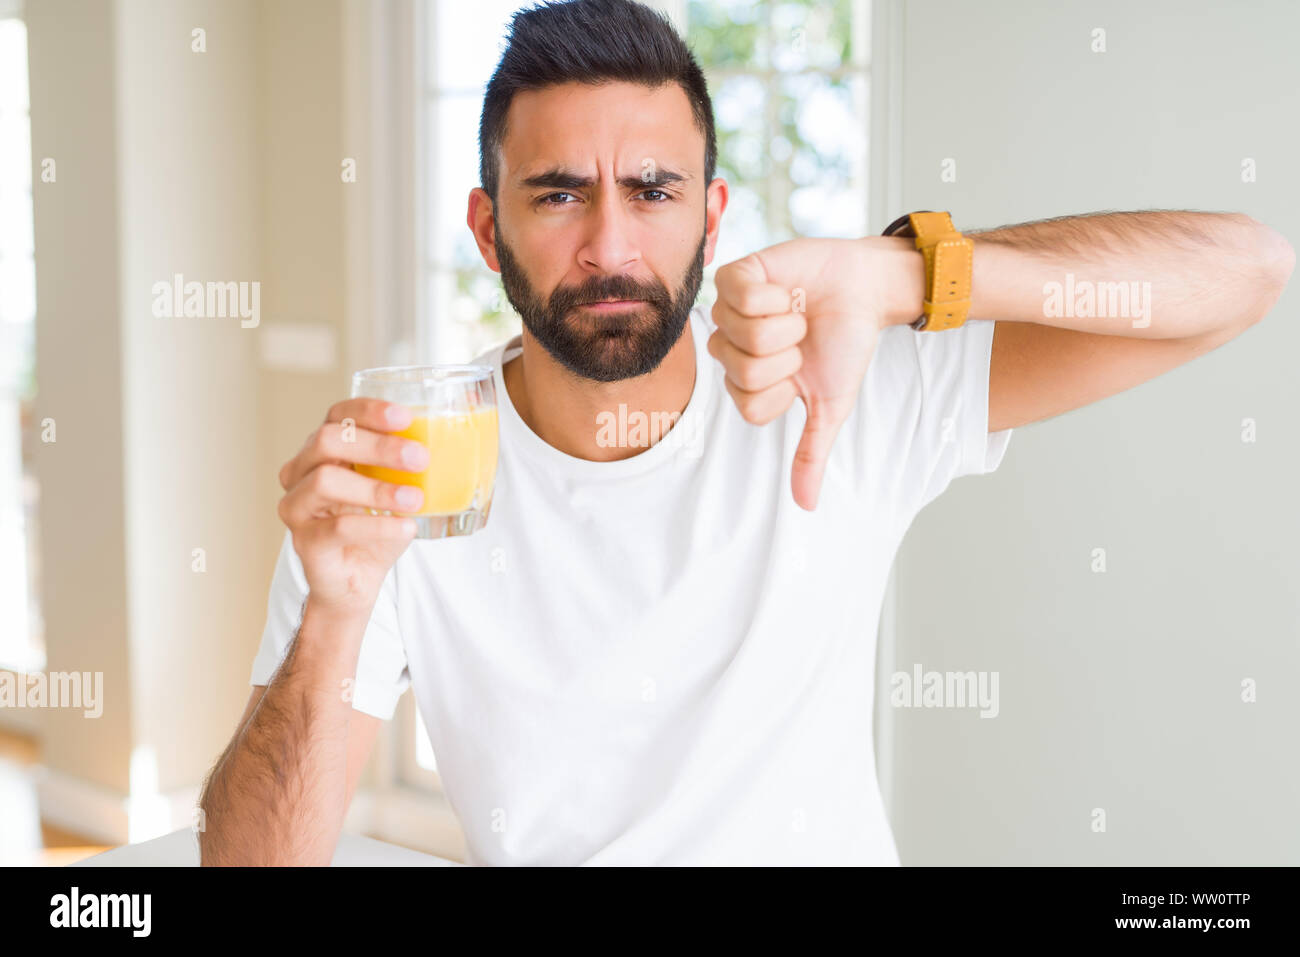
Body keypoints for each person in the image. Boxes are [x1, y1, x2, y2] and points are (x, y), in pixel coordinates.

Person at [197, 0, 1293, 866]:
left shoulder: (843, 380)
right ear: (489, 228)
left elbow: (1246, 272)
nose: (611, 244)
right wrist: (335, 615)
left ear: (712, 215)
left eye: (654, 190)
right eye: (559, 195)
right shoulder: (402, 481)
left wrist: (911, 270)